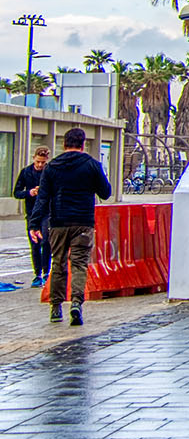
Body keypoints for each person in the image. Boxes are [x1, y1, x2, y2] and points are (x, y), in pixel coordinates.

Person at [29, 127, 112, 326]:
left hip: (57, 223)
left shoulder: (52, 167)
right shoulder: (92, 165)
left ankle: (56, 308)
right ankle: (76, 303)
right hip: (83, 222)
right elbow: (106, 192)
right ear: (83, 144)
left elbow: (43, 197)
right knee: (79, 265)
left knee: (58, 264)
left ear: (63, 144)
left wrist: (34, 223)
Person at [13, 146, 51, 287]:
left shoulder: (49, 171)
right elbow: (16, 192)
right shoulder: (26, 172)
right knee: (34, 244)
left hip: (47, 212)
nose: (40, 165)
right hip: (31, 212)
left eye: (42, 162)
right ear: (34, 158)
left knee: (46, 241)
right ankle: (37, 274)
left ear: (46, 160)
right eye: (38, 162)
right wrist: (29, 193)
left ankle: (47, 272)